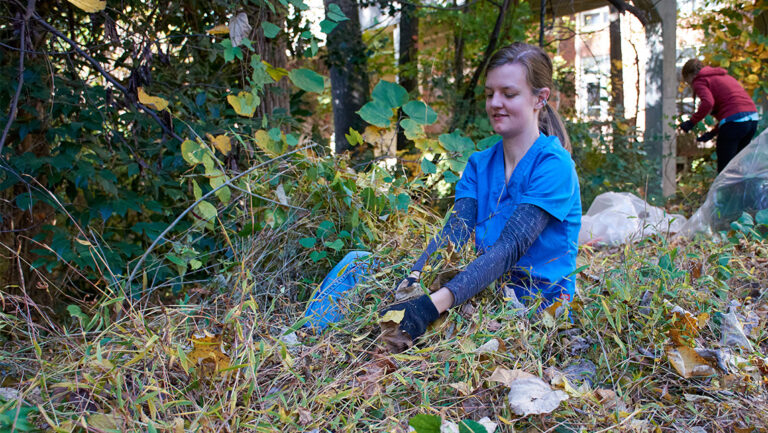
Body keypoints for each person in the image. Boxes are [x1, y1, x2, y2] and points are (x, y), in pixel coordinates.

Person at [379, 42, 582, 351]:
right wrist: (414, 275)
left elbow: (508, 248)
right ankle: (309, 343)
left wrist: (429, 307)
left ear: (540, 98)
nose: (495, 103)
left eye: (509, 94)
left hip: (538, 307)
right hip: (484, 291)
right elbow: (455, 234)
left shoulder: (555, 166)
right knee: (358, 264)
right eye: (490, 94)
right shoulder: (478, 164)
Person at [678, 59, 759, 173]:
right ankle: (745, 190)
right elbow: (734, 112)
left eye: (688, 82)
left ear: (689, 76)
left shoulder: (699, 80)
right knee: (739, 167)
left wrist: (691, 122)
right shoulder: (724, 77)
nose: (690, 85)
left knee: (725, 170)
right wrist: (713, 132)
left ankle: (724, 191)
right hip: (752, 120)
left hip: (735, 122)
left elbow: (708, 103)